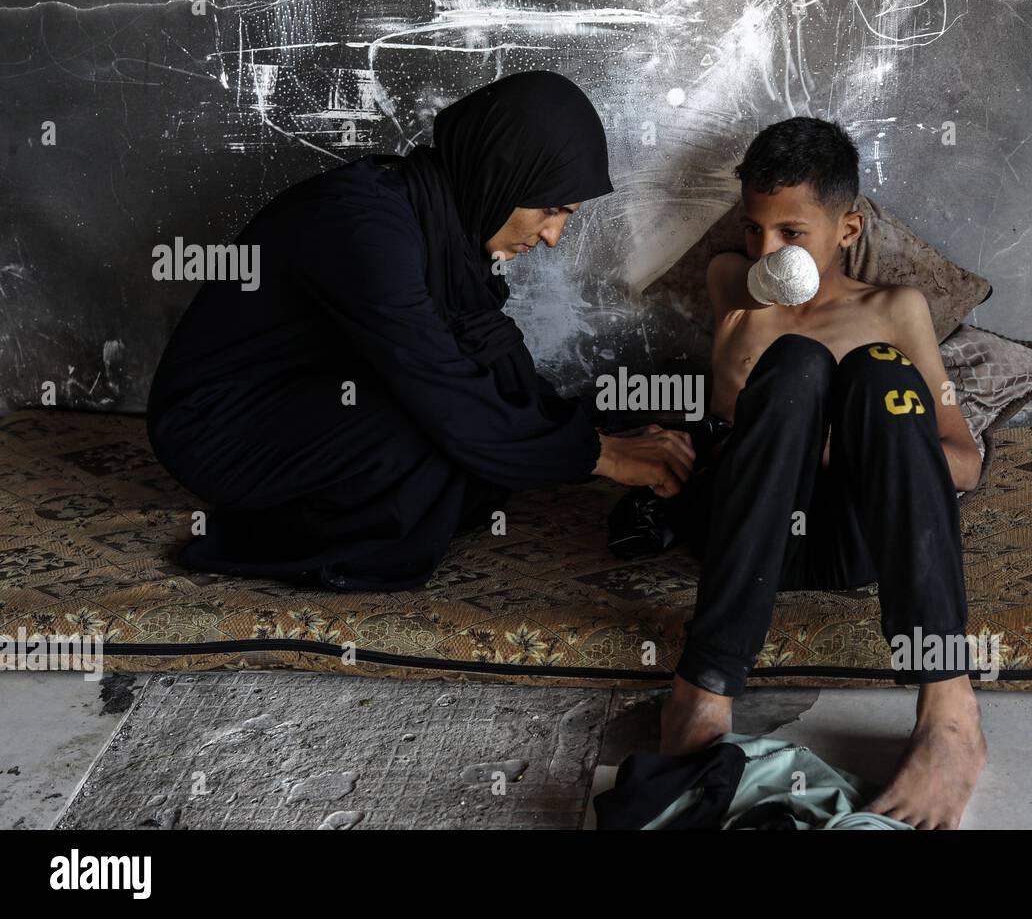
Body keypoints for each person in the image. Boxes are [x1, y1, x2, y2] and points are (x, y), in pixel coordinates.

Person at [146, 70, 694, 592]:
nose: (553, 236)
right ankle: (279, 530)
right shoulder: (364, 226)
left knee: (479, 440)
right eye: (549, 208)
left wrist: (581, 435)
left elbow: (481, 363)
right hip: (219, 428)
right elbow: (442, 385)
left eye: (566, 214)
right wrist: (601, 455)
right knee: (436, 432)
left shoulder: (442, 219)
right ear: (501, 171)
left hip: (313, 396)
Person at [659, 117, 987, 829]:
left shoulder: (895, 310)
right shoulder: (731, 284)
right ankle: (705, 687)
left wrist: (871, 448)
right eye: (754, 229)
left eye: (791, 233)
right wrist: (750, 329)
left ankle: (950, 713)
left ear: (847, 228)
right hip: (748, 534)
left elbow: (962, 460)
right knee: (799, 364)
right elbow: (725, 416)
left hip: (849, 536)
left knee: (875, 373)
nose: (765, 249)